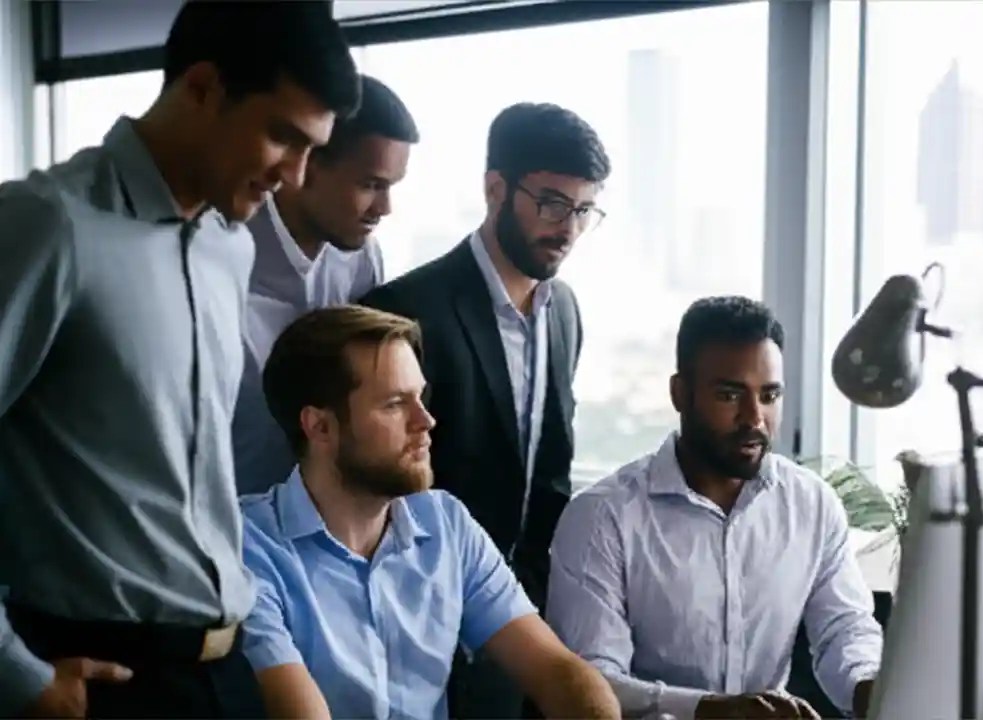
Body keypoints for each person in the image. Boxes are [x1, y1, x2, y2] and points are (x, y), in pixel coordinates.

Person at [0, 2, 360, 717]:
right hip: (96, 679)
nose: (294, 175)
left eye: (313, 151)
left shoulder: (231, 248)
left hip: (222, 672)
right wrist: (15, 675)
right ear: (202, 88)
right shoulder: (49, 225)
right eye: (283, 138)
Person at [238, 305, 621, 720]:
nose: (426, 420)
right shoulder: (249, 547)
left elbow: (557, 670)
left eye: (420, 397)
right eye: (394, 404)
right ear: (320, 428)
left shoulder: (445, 525)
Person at [360, 102, 610, 717]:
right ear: (495, 189)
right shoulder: (407, 309)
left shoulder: (565, 311)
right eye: (551, 204)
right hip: (421, 620)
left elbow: (550, 466)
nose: (568, 228)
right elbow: (377, 481)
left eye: (584, 210)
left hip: (523, 621)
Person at [547, 296, 884, 720]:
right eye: (730, 395)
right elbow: (591, 680)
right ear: (679, 393)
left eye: (769, 395)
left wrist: (870, 689)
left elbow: (844, 631)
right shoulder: (602, 518)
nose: (754, 418)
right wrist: (707, 711)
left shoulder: (812, 506)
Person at [234, 73, 419, 495]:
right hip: (231, 522)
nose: (385, 208)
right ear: (306, 166)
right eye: (371, 185)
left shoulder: (361, 257)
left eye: (392, 187)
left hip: (326, 520)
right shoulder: (223, 258)